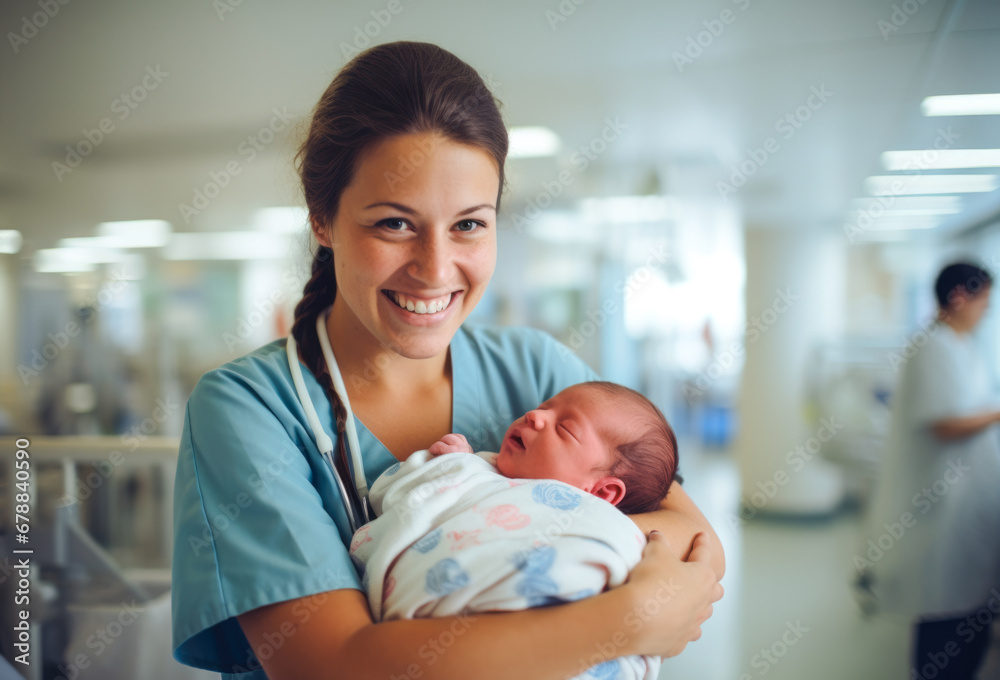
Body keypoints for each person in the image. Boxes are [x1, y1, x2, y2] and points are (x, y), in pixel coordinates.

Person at [171, 41, 724, 680]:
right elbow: (333, 666)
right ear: (322, 219)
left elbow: (694, 536)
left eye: (468, 225)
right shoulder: (250, 409)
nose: (435, 270)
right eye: (394, 225)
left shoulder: (537, 371)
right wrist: (627, 619)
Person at [350, 381, 679, 679]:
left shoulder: (598, 525)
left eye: (564, 429)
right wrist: (452, 467)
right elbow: (412, 499)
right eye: (545, 406)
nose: (536, 416)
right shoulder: (480, 469)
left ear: (603, 493)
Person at [862, 262, 1000, 680]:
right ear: (959, 297)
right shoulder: (934, 347)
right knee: (947, 621)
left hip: (965, 504)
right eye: (983, 302)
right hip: (944, 508)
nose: (986, 311)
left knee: (966, 614)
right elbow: (945, 423)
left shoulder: (957, 345)